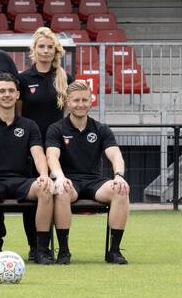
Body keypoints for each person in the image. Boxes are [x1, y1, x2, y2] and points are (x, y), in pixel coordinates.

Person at [0, 72, 54, 263]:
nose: (6, 94)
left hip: (22, 181)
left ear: (17, 95)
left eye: (11, 91)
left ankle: (41, 250)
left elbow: (38, 154)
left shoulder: (29, 125)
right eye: (2, 91)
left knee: (46, 188)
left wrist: (44, 174)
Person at [45, 80, 130, 265]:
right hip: (69, 181)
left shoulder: (101, 129)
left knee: (121, 189)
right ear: (68, 102)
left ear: (91, 101)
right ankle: (64, 251)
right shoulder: (56, 128)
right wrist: (59, 177)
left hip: (94, 181)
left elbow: (115, 155)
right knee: (61, 190)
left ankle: (114, 251)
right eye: (76, 100)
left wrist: (119, 175)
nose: (81, 104)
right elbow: (52, 156)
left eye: (85, 100)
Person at [18, 26, 69, 140]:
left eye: (50, 47)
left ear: (55, 50)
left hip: (57, 140)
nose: (46, 51)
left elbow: (65, 111)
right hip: (30, 140)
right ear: (34, 49)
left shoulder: (66, 78)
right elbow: (18, 113)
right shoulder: (22, 79)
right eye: (41, 46)